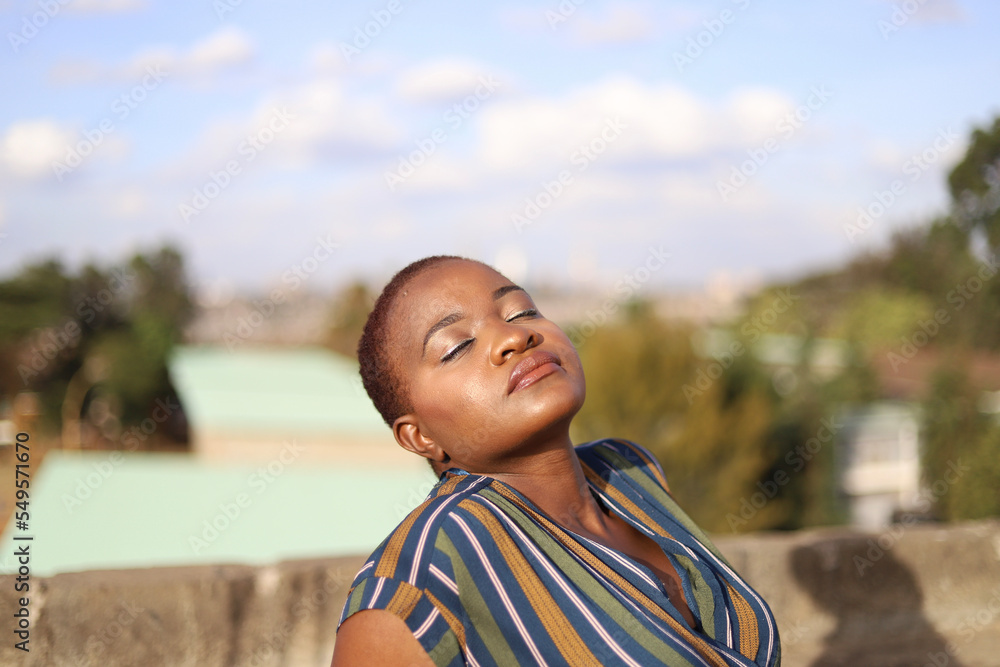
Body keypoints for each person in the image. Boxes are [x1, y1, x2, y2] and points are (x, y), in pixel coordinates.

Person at [331, 255, 780, 667]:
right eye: (456, 346)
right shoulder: (418, 579)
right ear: (420, 436)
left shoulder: (628, 472)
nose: (515, 336)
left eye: (522, 311)